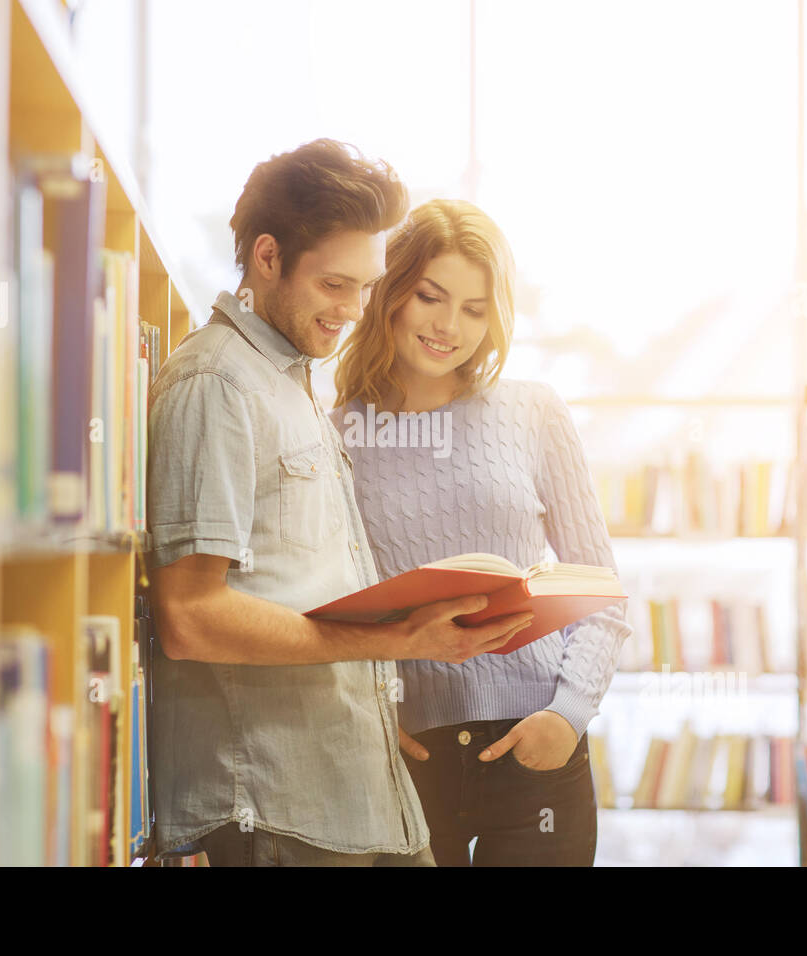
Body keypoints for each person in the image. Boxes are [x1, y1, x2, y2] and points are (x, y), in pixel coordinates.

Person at [145, 142, 534, 867]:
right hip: (273, 810)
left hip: (352, 794)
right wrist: (398, 640)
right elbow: (190, 617)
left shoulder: (291, 384)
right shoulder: (216, 385)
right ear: (267, 258)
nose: (354, 311)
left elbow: (295, 588)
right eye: (333, 285)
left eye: (366, 286)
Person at [330, 199, 631, 866]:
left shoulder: (533, 412)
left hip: (537, 751)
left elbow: (601, 590)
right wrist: (365, 720)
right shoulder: (335, 433)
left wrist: (568, 714)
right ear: (390, 296)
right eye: (431, 297)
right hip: (401, 759)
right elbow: (320, 605)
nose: (449, 326)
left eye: (474, 307)